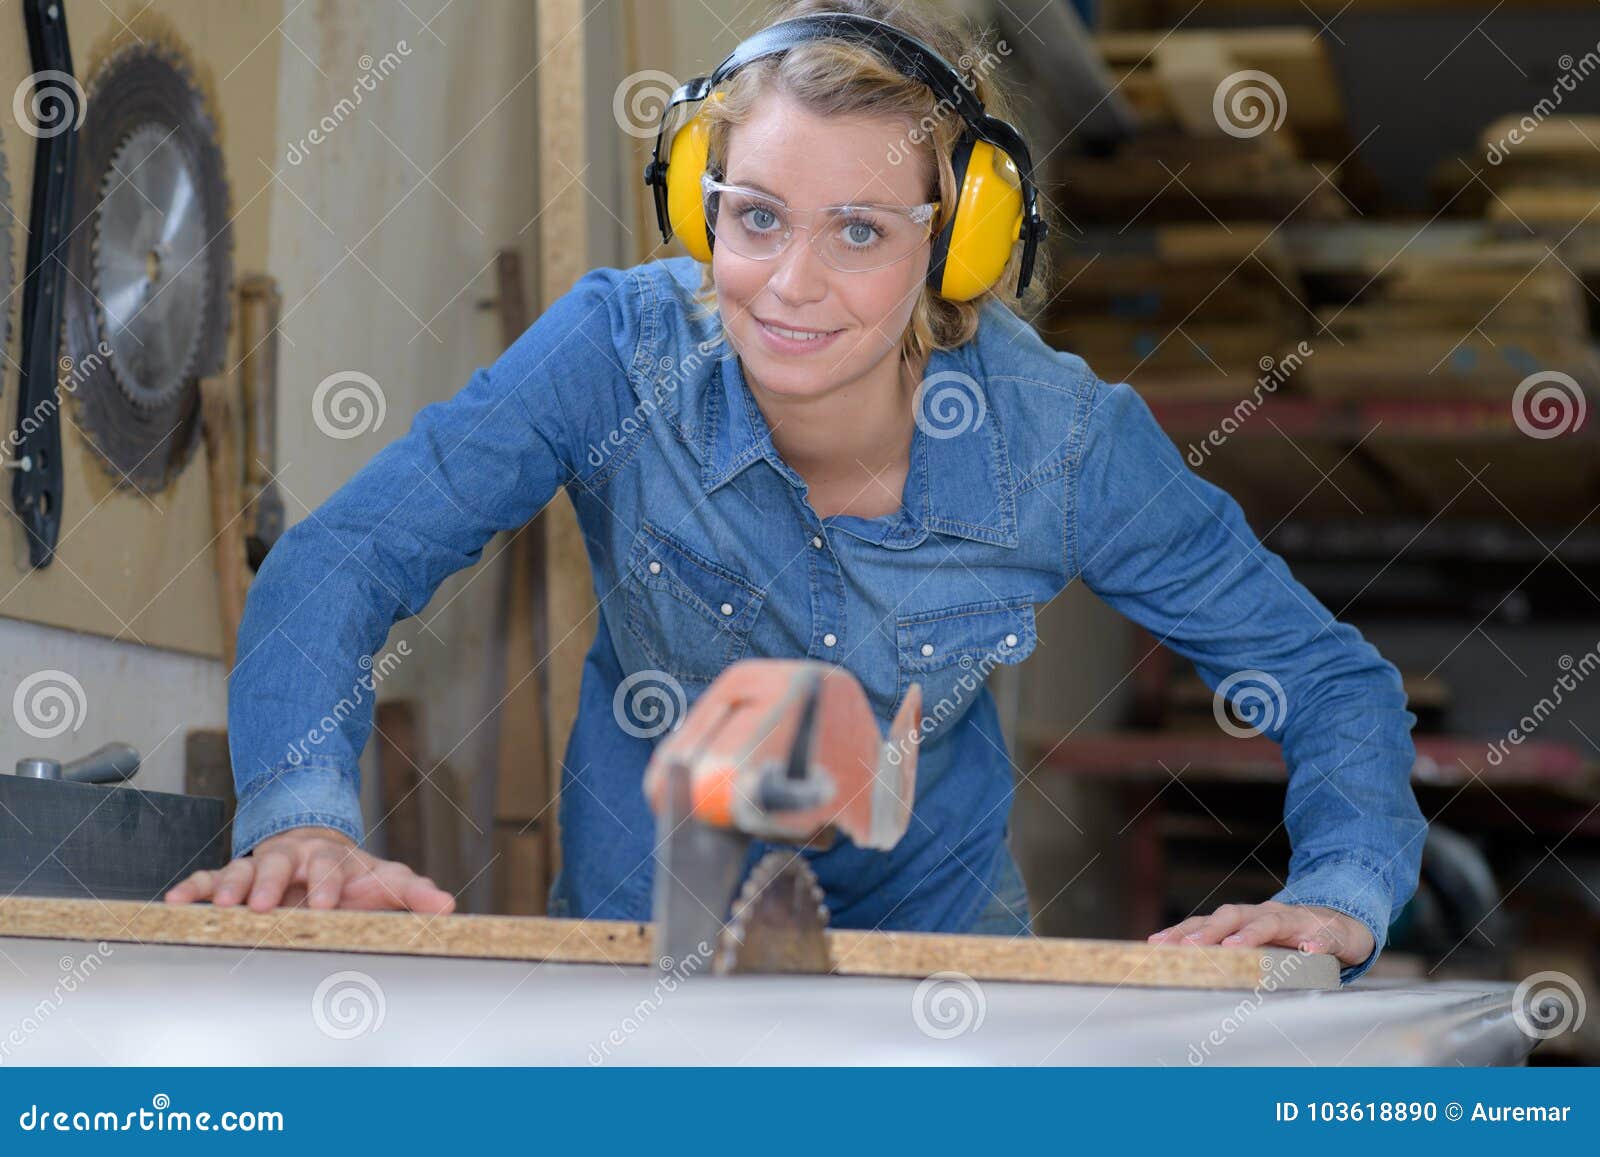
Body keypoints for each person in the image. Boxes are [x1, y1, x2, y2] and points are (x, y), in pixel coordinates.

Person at [166, 0, 1426, 984]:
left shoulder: (1068, 443)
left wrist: (1340, 889)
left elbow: (1321, 677)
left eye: (862, 231)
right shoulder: (616, 353)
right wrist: (302, 820)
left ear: (961, 244)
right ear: (698, 201)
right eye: (756, 217)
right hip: (650, 872)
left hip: (935, 906)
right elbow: (347, 557)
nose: (788, 284)